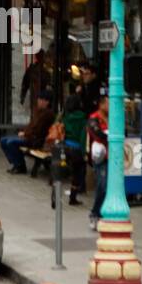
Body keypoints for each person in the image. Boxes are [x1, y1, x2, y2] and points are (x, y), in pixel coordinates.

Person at [0, 91, 55, 173]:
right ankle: (16, 163)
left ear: (46, 102)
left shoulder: (48, 114)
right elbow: (31, 125)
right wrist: (24, 132)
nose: (38, 102)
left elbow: (38, 130)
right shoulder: (39, 112)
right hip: (29, 136)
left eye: (40, 100)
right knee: (3, 140)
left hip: (35, 140)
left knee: (11, 142)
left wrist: (25, 133)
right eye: (38, 99)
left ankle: (20, 166)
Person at [56, 90, 87, 208]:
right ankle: (72, 198)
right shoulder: (82, 118)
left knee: (60, 171)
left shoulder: (64, 116)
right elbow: (83, 137)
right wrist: (84, 153)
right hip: (76, 149)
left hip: (64, 146)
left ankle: (56, 194)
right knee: (77, 174)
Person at [87, 98, 109, 227]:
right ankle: (96, 213)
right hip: (101, 156)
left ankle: (99, 213)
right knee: (103, 185)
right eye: (108, 103)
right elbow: (96, 134)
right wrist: (110, 136)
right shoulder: (94, 118)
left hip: (113, 156)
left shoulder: (113, 117)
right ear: (101, 105)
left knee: (106, 185)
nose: (110, 106)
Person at [19, 48, 47, 116]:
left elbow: (24, 85)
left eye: (42, 56)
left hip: (43, 100)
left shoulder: (46, 70)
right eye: (40, 56)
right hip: (36, 98)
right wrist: (22, 97)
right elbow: (25, 84)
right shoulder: (32, 70)